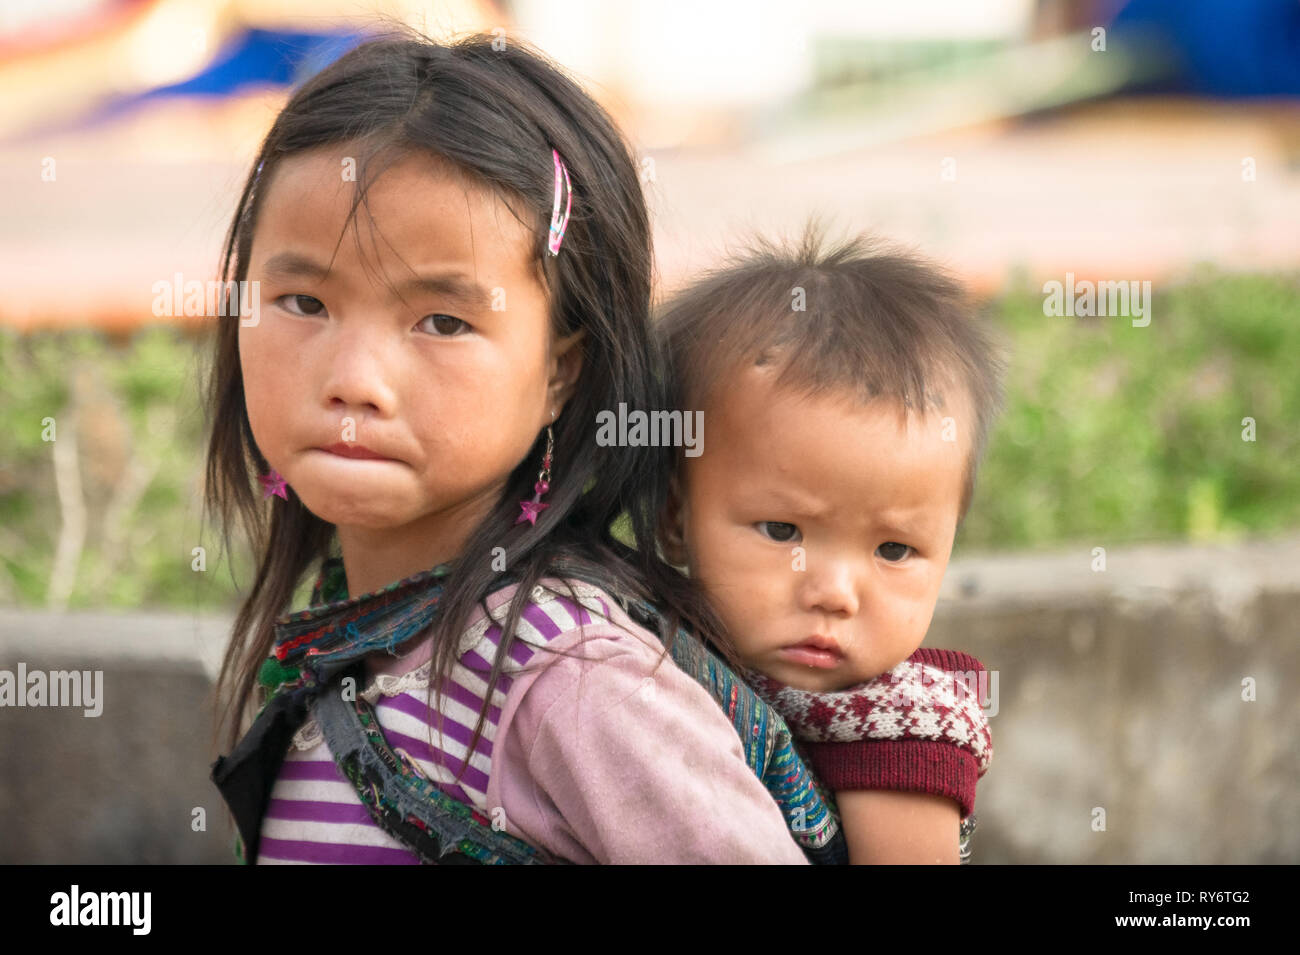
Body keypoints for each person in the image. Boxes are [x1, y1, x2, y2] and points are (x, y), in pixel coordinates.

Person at [203, 27, 823, 864]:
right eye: (303, 302)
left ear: (561, 374)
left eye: (444, 322)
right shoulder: (358, 628)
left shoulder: (568, 677)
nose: (353, 379)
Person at [654, 223, 1002, 863]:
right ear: (674, 516)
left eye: (894, 550)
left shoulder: (899, 733)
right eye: (783, 531)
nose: (834, 594)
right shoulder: (631, 644)